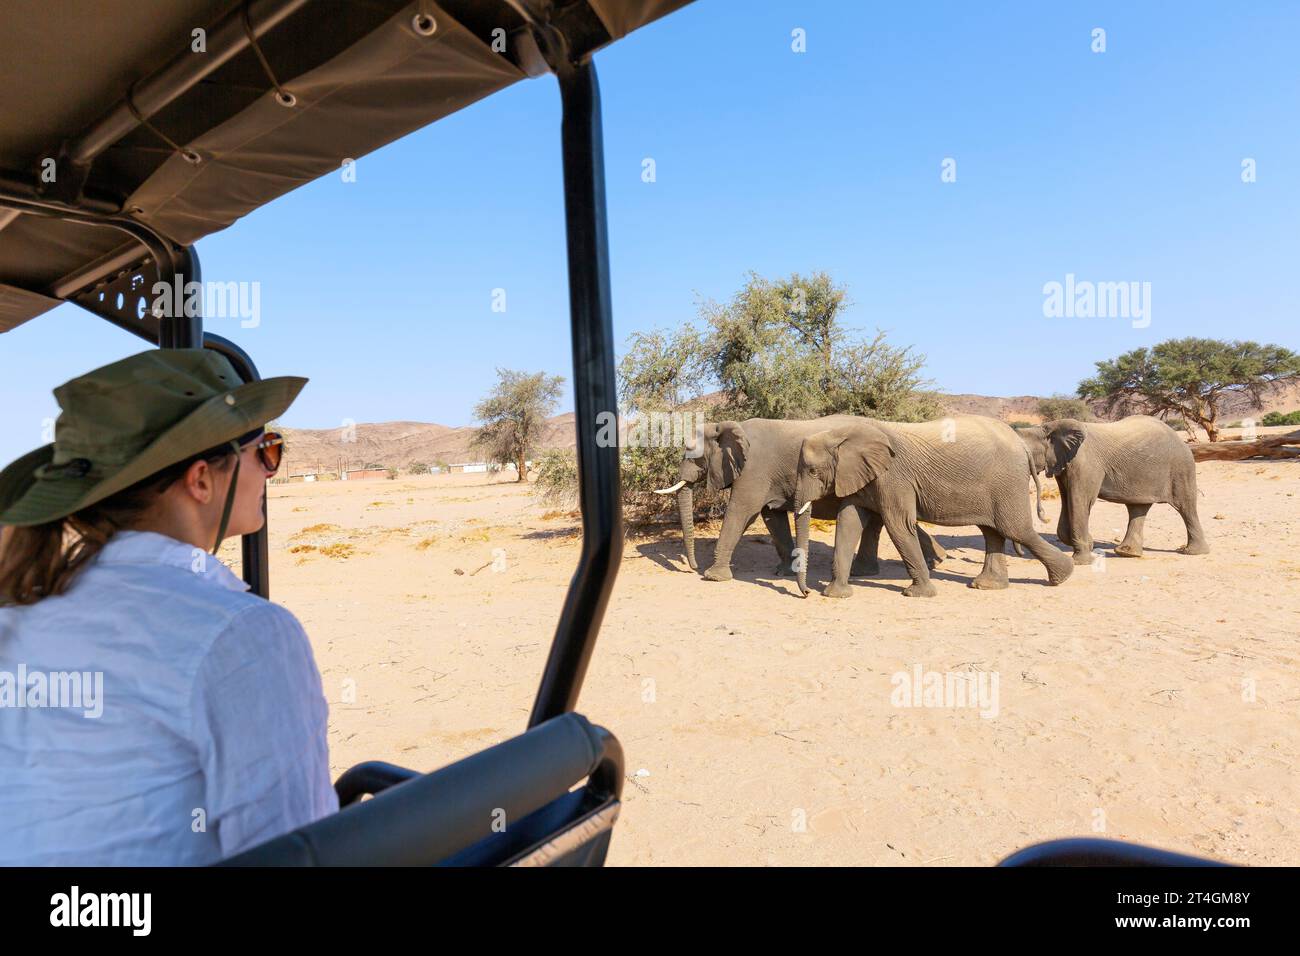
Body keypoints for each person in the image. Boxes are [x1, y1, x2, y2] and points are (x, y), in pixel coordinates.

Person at [0, 349, 338, 865]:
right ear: (201, 479)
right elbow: (298, 853)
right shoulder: (240, 634)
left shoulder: (23, 609)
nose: (271, 471)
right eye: (266, 451)